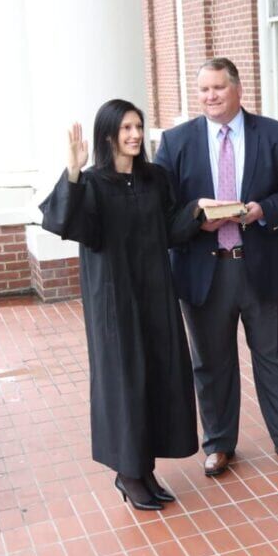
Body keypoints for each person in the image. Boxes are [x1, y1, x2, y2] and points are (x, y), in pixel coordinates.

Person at [39, 100, 208, 510]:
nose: (134, 135)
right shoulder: (93, 183)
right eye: (125, 128)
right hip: (114, 299)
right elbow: (65, 223)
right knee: (124, 380)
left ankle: (144, 467)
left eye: (138, 127)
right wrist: (74, 172)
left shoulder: (154, 179)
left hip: (155, 293)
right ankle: (127, 473)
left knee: (158, 374)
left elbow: (170, 229)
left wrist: (200, 212)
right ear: (108, 135)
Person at [154, 57, 278, 476]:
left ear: (238, 89)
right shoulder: (175, 142)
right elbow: (163, 211)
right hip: (204, 272)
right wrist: (196, 216)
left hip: (261, 266)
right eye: (203, 89)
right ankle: (220, 443)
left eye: (218, 88)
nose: (210, 96)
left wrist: (264, 210)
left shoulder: (273, 134)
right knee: (211, 362)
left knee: (274, 357)